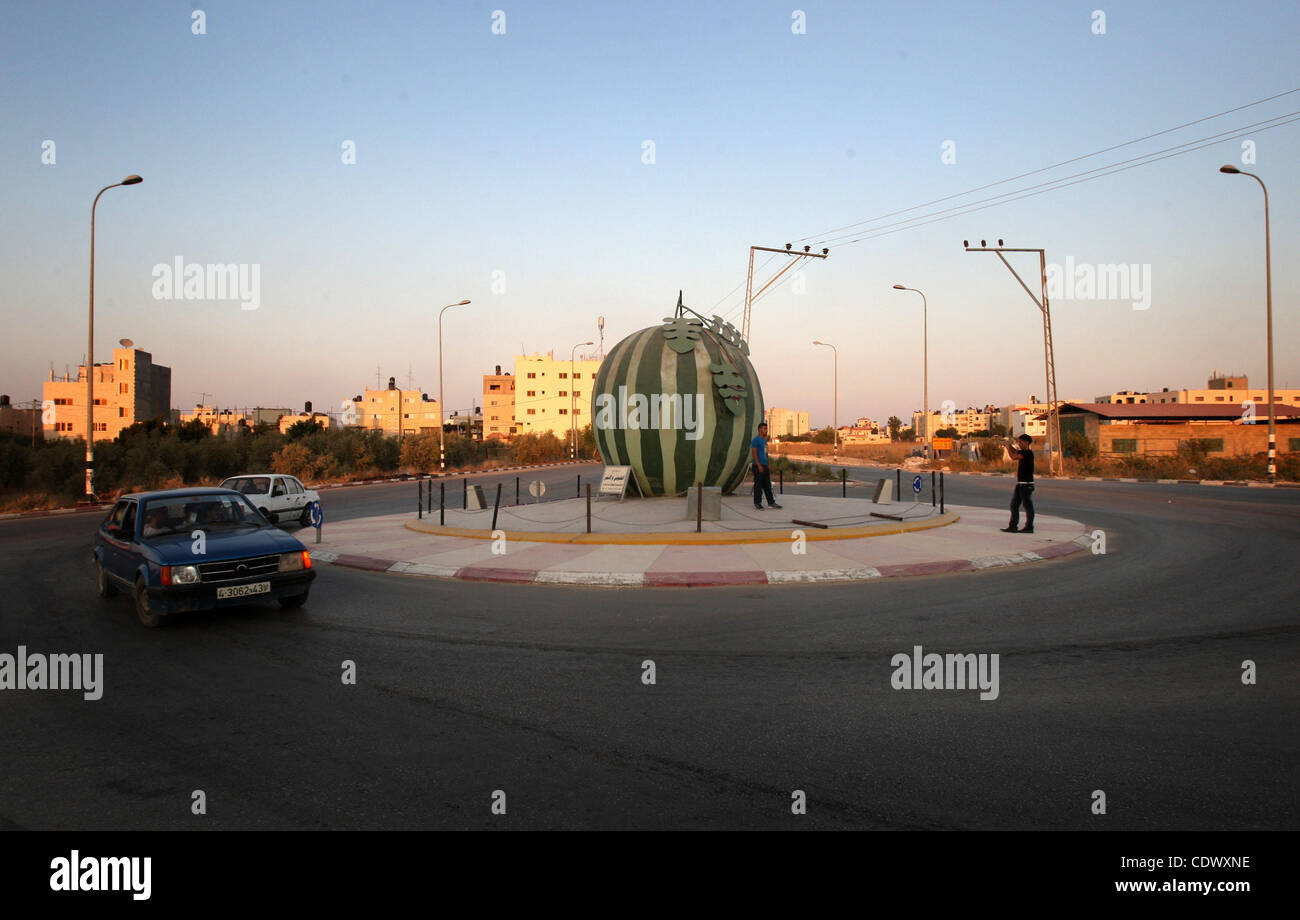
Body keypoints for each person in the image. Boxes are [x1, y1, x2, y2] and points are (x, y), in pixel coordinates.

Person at [1002, 433, 1035, 533]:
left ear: (1026, 442)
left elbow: (1013, 456)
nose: (1019, 444)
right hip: (1020, 483)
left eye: (1020, 442)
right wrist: (1009, 445)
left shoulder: (1028, 453)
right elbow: (1015, 451)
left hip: (1026, 484)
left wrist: (1007, 448)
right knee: (1014, 505)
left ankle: (1029, 527)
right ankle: (1013, 526)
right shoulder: (1023, 452)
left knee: (1027, 506)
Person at [750, 422, 782, 510]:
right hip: (758, 466)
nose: (766, 430)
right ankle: (757, 503)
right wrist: (759, 465)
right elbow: (754, 453)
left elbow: (765, 453)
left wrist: (768, 464)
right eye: (764, 429)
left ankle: (771, 502)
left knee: (767, 485)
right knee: (758, 486)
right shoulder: (755, 440)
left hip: (765, 466)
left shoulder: (765, 441)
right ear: (759, 429)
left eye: (766, 429)